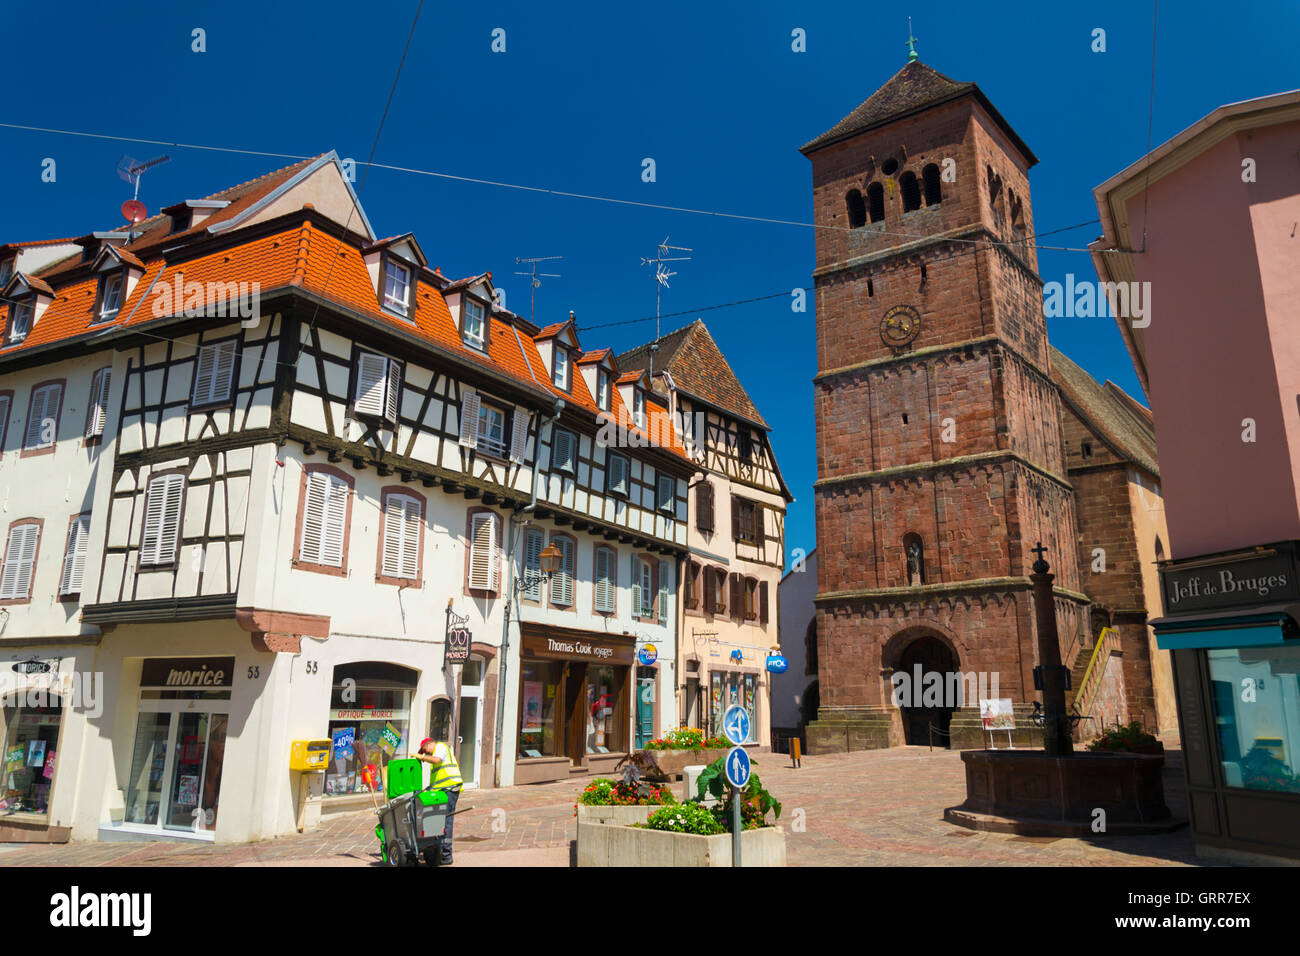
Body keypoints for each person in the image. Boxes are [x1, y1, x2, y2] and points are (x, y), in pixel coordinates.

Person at [414, 736, 462, 864]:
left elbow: (436, 760)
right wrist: (429, 789)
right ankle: (439, 852)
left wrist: (422, 758)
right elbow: (439, 777)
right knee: (441, 822)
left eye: (424, 750)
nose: (425, 753)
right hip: (445, 790)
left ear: (429, 744)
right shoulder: (438, 750)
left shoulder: (440, 747)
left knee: (445, 822)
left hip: (449, 789)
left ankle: (445, 855)